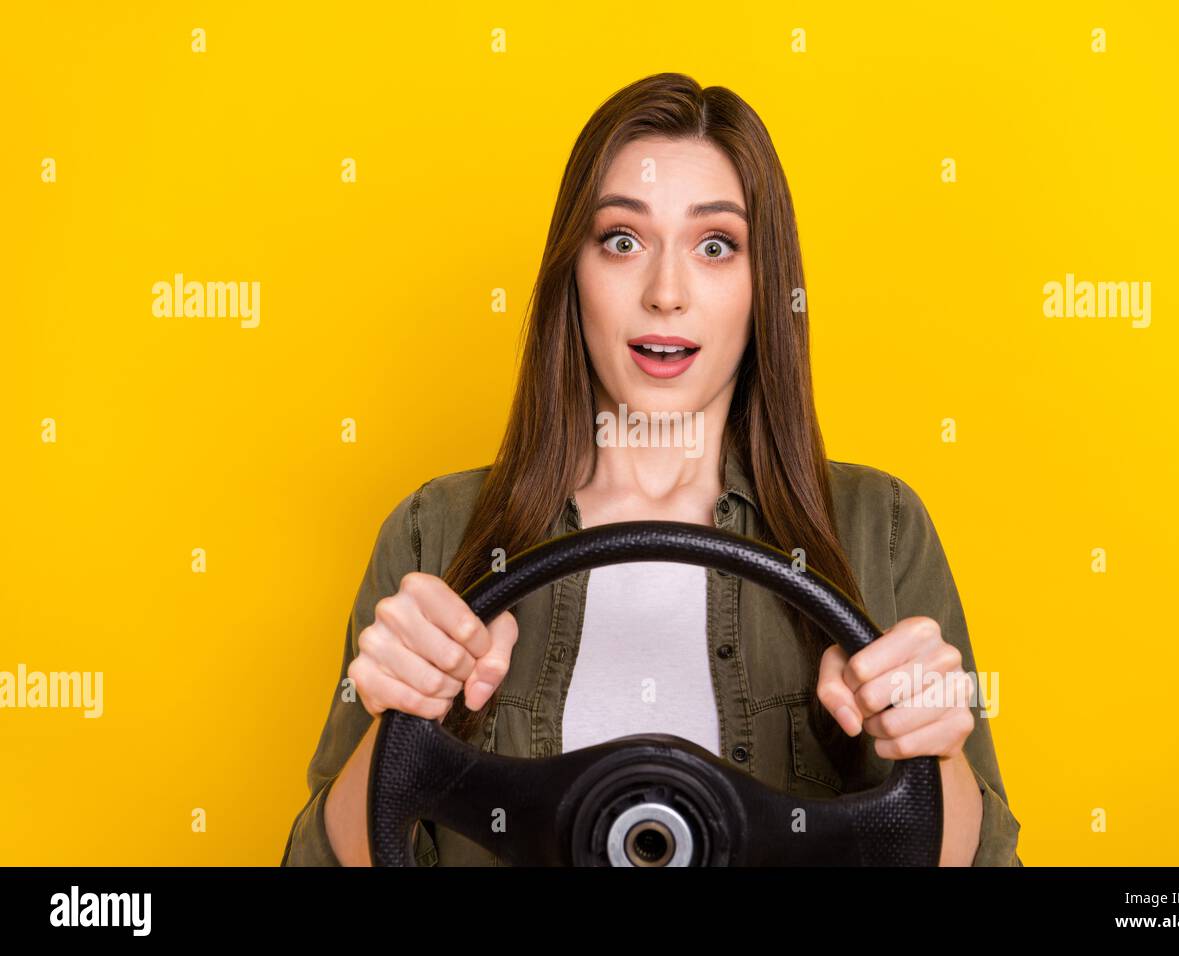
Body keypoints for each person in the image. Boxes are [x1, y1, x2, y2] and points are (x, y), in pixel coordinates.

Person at [282, 72, 1022, 867]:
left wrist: (933, 744)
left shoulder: (881, 527)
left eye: (715, 246)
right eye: (622, 240)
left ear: (763, 285)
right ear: (574, 273)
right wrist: (397, 717)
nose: (666, 293)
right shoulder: (439, 531)